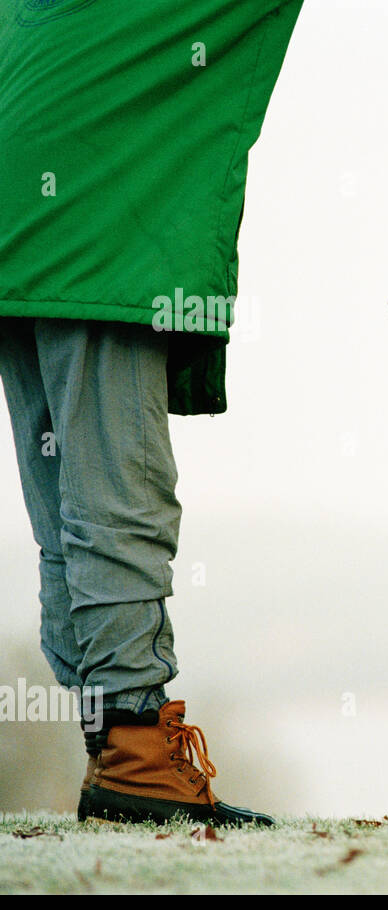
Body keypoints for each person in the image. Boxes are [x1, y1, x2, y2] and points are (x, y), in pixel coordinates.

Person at [0, 0, 303, 825]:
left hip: (20, 199)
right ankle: (135, 753)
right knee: (117, 488)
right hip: (98, 209)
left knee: (64, 500)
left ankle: (112, 744)